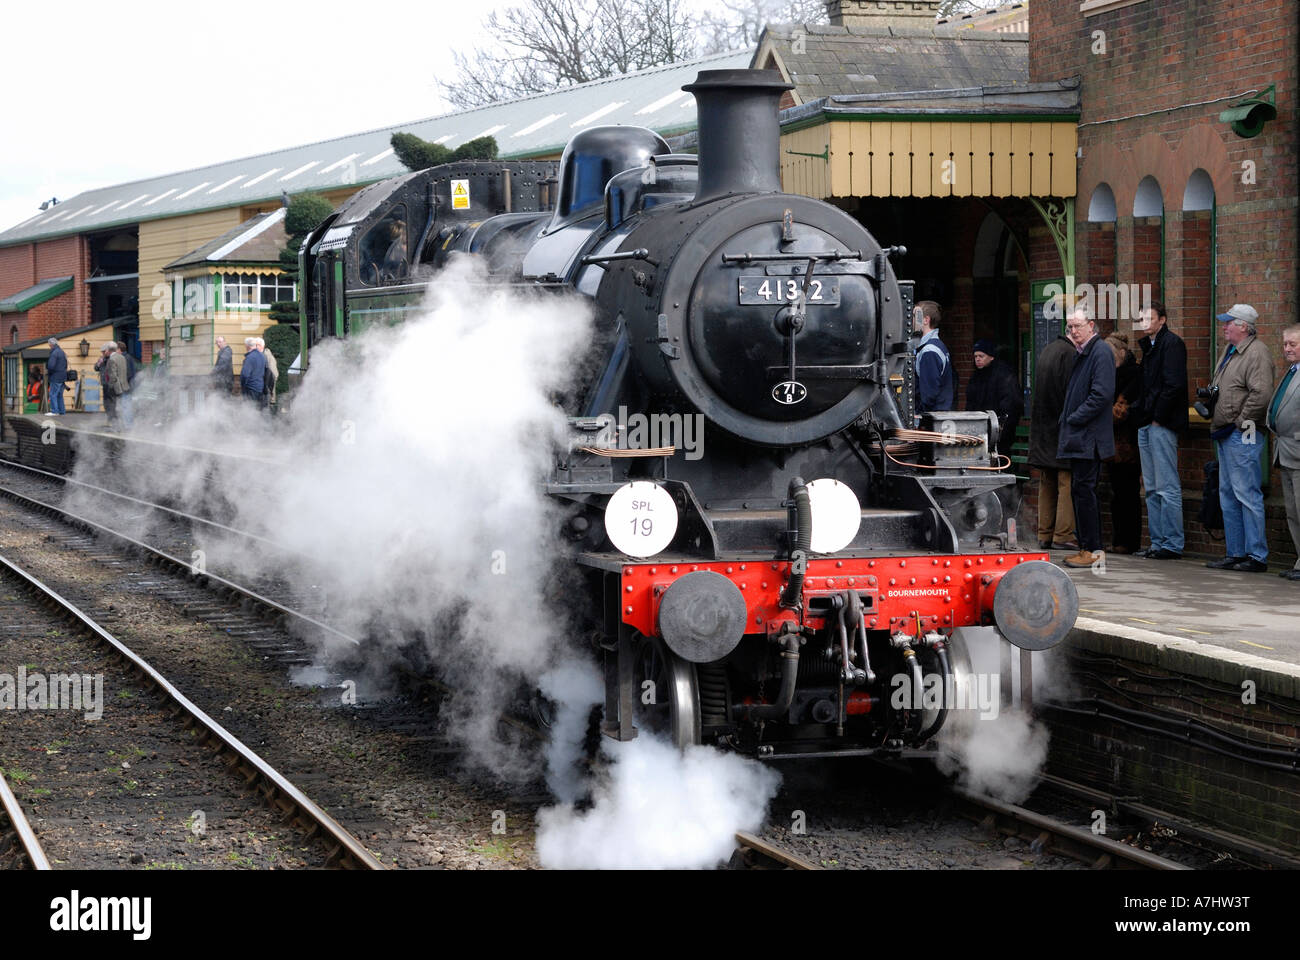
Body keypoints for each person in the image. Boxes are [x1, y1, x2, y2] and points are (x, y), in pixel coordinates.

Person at [1206, 304, 1273, 572]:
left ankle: (1256, 555)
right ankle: (1235, 552)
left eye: (1229, 323)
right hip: (1225, 431)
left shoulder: (1256, 352)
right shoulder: (1230, 351)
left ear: (1243, 326)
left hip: (1241, 432)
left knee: (1246, 493)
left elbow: (1261, 394)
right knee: (1228, 494)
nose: (1224, 326)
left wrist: (1238, 422)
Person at [1057, 305, 1115, 568]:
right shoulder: (1084, 353)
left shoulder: (1099, 351)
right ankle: (1087, 548)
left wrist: (1074, 417)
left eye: (1077, 326)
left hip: (1088, 437)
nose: (1073, 331)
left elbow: (1101, 395)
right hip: (1081, 436)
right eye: (1070, 327)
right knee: (1081, 491)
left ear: (1091, 325)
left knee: (1084, 492)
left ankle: (1091, 550)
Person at [1132, 300, 1188, 559]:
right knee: (1152, 487)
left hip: (1161, 423)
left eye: (1149, 318)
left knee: (1167, 485)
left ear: (1162, 320)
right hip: (1147, 422)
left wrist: (1157, 417)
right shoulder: (1150, 347)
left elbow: (1173, 385)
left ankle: (1172, 544)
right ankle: (1157, 542)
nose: (1144, 323)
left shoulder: (1172, 344)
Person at [1029, 317, 1079, 550]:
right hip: (1060, 429)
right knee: (1066, 482)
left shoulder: (1048, 350)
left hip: (1042, 430)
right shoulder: (1069, 355)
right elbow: (1071, 395)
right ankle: (1063, 535)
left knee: (1046, 483)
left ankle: (1044, 533)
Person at [1267, 324, 1300, 581]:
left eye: (1293, 344)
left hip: (1298, 450)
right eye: (1285, 344)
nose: (1287, 349)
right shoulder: (1291, 371)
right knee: (1293, 511)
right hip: (1285, 450)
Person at [1105, 333, 1143, 553]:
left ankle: (1128, 541)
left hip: (1128, 443)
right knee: (1116, 493)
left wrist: (1103, 416)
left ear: (1121, 352)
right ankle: (1119, 540)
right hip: (1113, 443)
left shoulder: (1132, 375)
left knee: (1128, 493)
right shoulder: (1111, 374)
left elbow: (1122, 411)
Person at [966, 338, 1022, 464]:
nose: (977, 359)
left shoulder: (1004, 374)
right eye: (975, 356)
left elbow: (1011, 403)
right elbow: (970, 403)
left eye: (981, 356)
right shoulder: (976, 376)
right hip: (979, 430)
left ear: (991, 357)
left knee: (999, 460)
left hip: (998, 431)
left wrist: (1002, 428)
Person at [912, 300, 954, 415]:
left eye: (914, 316)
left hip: (932, 418)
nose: (911, 320)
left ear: (926, 320)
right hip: (938, 415)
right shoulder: (935, 346)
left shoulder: (929, 351)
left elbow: (929, 395)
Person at [103, 342, 130, 428]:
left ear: (109, 350)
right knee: (124, 407)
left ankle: (118, 426)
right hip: (125, 385)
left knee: (116, 407)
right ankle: (126, 425)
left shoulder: (112, 359)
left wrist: (111, 388)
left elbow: (113, 376)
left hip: (117, 388)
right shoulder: (122, 357)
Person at [239, 336, 266, 407]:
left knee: (250, 411)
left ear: (247, 346)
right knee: (257, 412)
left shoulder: (250, 357)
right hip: (260, 388)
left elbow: (245, 375)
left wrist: (243, 388)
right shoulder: (262, 356)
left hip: (250, 389)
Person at [45, 338, 67, 415]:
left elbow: (51, 366)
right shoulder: (62, 352)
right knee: (59, 395)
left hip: (55, 377)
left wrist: (48, 372)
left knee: (53, 394)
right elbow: (65, 365)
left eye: (49, 345)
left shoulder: (54, 353)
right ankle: (62, 411)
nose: (49, 346)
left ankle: (54, 411)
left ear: (51, 344)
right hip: (63, 377)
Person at [258, 337, 278, 411]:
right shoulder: (263, 355)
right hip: (265, 388)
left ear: (259, 346)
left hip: (266, 389)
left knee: (266, 409)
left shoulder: (266, 355)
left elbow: (274, 374)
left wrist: (269, 389)